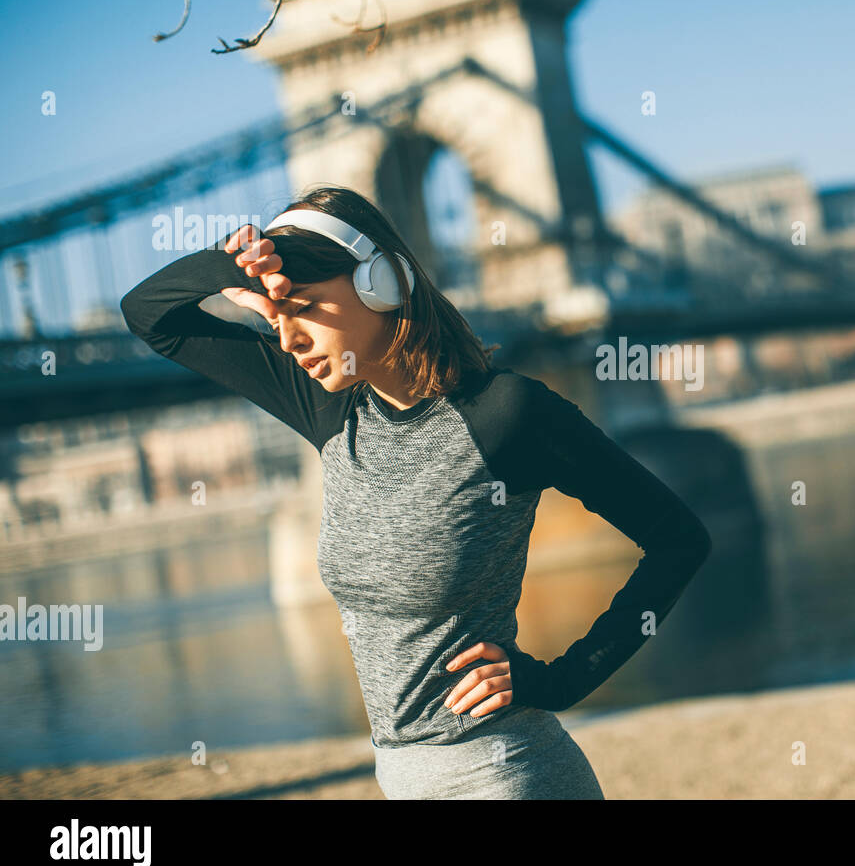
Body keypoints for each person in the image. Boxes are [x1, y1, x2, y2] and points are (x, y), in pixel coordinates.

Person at [119, 185, 712, 799]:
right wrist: (232, 262)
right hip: (398, 778)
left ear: (382, 283)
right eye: (276, 319)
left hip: (505, 775)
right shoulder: (328, 408)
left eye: (302, 307)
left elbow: (679, 540)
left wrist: (562, 681)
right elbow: (150, 317)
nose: (289, 341)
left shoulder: (506, 413)